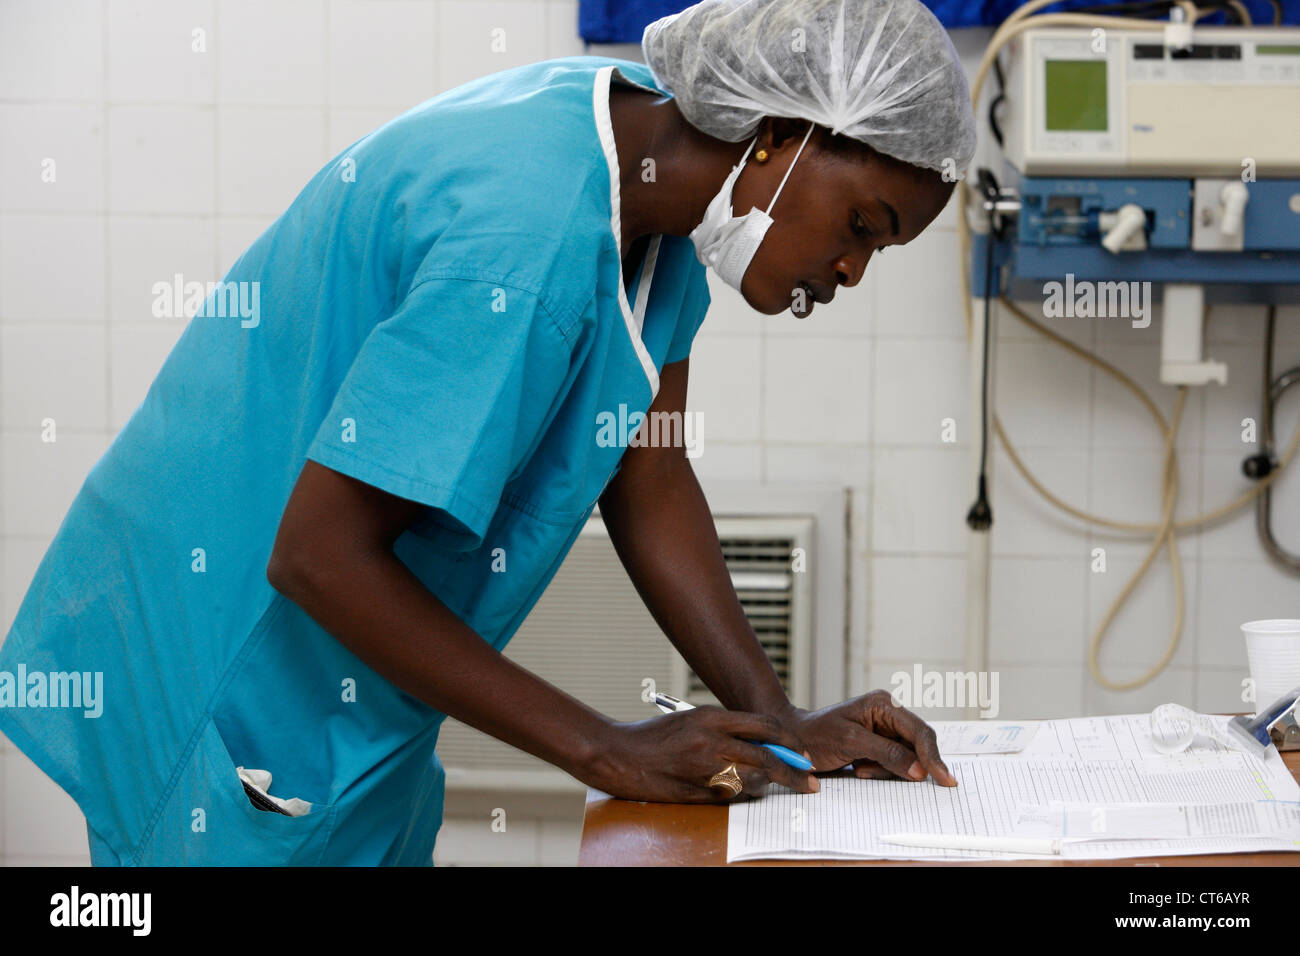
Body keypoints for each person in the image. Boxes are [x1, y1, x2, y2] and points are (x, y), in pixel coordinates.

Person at [0, 0, 976, 865]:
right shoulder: (522, 236)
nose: (850, 270)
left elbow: (648, 476)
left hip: (347, 699)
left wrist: (781, 721)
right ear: (781, 133)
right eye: (862, 223)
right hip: (221, 676)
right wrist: (607, 747)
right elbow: (319, 556)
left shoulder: (649, 198)